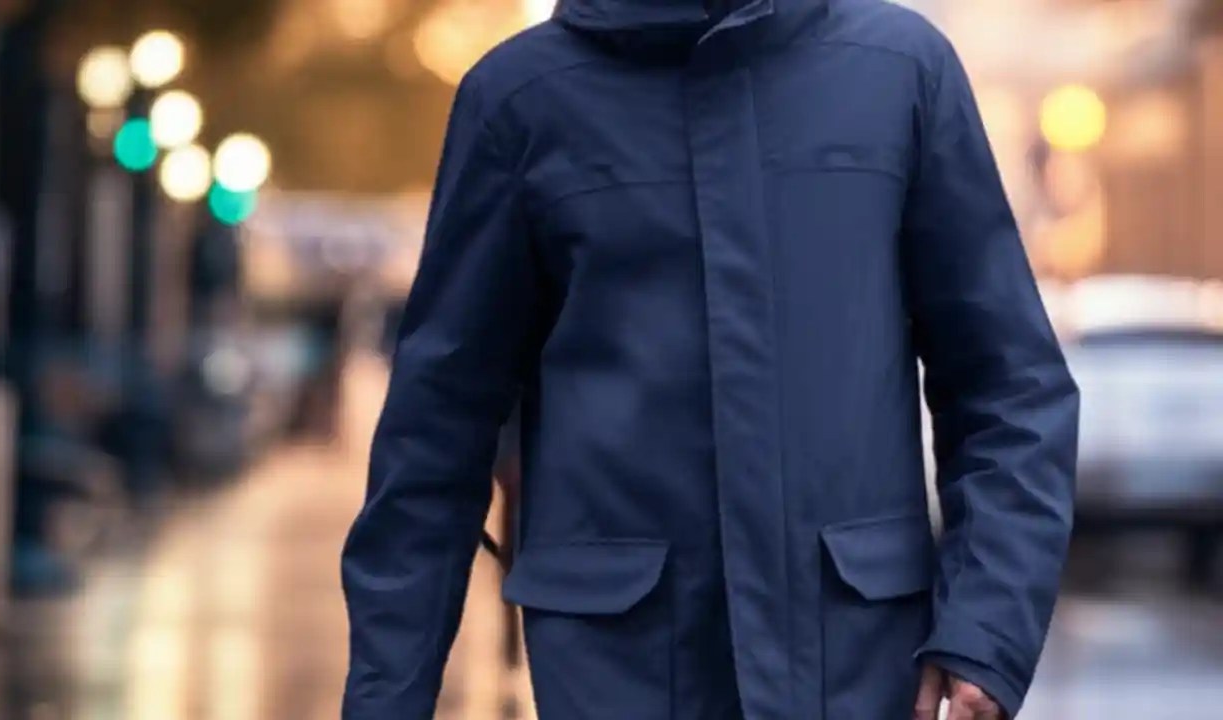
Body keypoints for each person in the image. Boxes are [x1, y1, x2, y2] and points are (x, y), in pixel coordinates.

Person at [341, 1, 1079, 718]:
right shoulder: (521, 101)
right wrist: (386, 699)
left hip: (855, 669)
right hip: (618, 674)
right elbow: (435, 438)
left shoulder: (899, 73)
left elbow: (1009, 385)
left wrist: (985, 631)